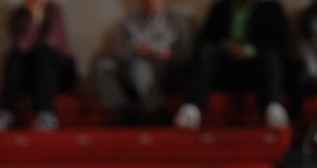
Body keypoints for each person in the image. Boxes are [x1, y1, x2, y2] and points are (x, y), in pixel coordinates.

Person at [173, 0, 290, 130]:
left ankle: (272, 108)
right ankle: (191, 108)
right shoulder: (221, 8)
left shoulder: (272, 9)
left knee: (270, 57)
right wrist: (228, 46)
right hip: (224, 66)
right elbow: (207, 38)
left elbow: (279, 44)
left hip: (255, 67)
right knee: (205, 52)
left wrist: (249, 50)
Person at [91, 0, 193, 126]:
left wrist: (169, 54)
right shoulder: (130, 23)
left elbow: (187, 54)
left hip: (164, 71)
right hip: (130, 68)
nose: (152, 2)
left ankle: (159, 111)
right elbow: (116, 53)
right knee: (101, 67)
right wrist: (135, 51)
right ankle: (122, 111)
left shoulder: (178, 22)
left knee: (140, 67)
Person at [0, 0, 77, 132]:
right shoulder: (18, 15)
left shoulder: (55, 11)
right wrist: (35, 21)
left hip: (59, 74)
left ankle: (46, 113)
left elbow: (51, 42)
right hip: (33, 76)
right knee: (15, 57)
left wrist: (39, 20)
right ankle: (6, 112)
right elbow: (22, 46)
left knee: (44, 55)